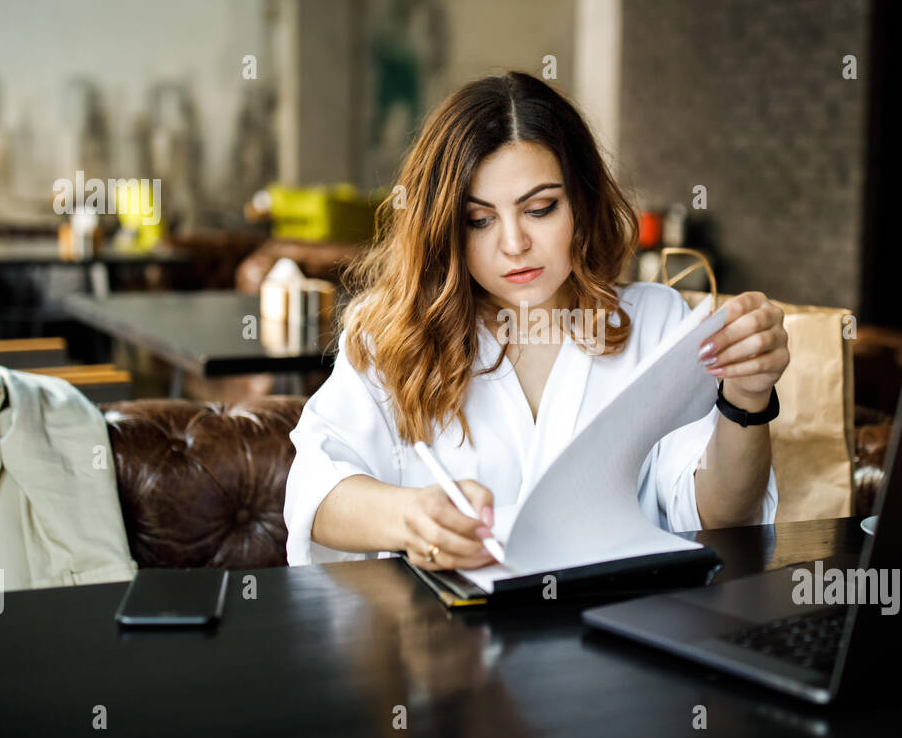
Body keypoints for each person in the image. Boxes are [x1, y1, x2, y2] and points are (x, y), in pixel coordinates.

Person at [284, 71, 789, 570]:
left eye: (541, 208)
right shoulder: (391, 334)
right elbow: (316, 488)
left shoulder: (656, 323)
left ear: (582, 203)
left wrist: (747, 400)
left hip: (616, 628)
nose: (513, 244)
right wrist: (410, 517)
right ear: (444, 228)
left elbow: (721, 517)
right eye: (479, 220)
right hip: (447, 638)